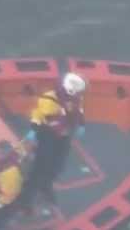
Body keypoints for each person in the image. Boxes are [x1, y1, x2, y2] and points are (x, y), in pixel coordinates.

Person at [19, 72, 86, 215]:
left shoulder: (76, 98)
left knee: (57, 166)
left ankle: (46, 187)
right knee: (39, 169)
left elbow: (78, 111)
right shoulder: (49, 99)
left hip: (63, 136)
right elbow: (39, 116)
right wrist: (34, 131)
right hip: (48, 135)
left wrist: (81, 124)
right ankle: (25, 200)